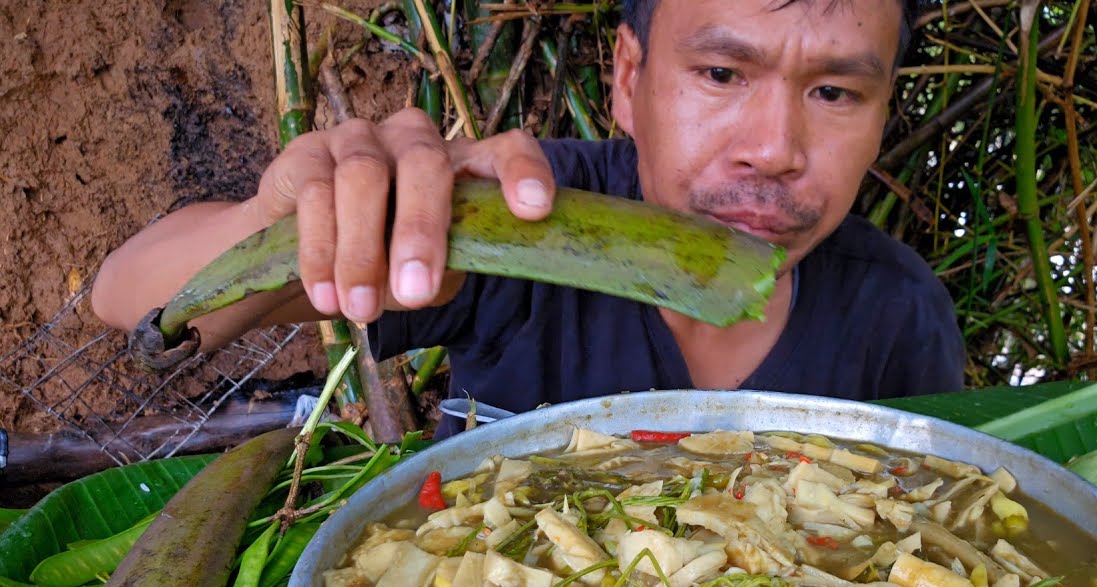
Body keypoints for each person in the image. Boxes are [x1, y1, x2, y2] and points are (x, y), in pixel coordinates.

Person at [92, 0, 964, 438]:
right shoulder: (525, 216)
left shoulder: (897, 312)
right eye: (722, 76)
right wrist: (286, 219)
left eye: (836, 91)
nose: (775, 149)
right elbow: (130, 299)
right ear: (630, 78)